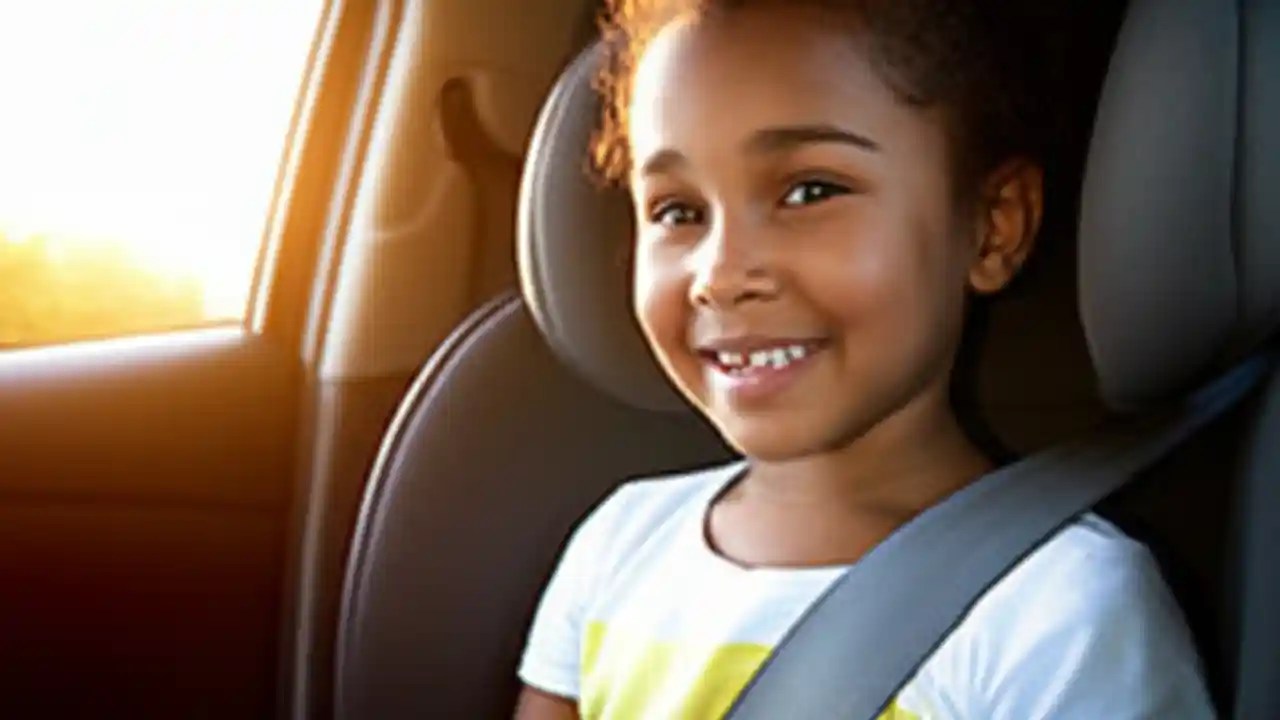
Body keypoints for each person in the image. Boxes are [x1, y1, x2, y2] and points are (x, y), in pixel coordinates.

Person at [515, 1, 1215, 717]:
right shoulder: (617, 548)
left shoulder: (1058, 608)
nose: (719, 274)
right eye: (678, 211)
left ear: (993, 227)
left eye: (810, 191)